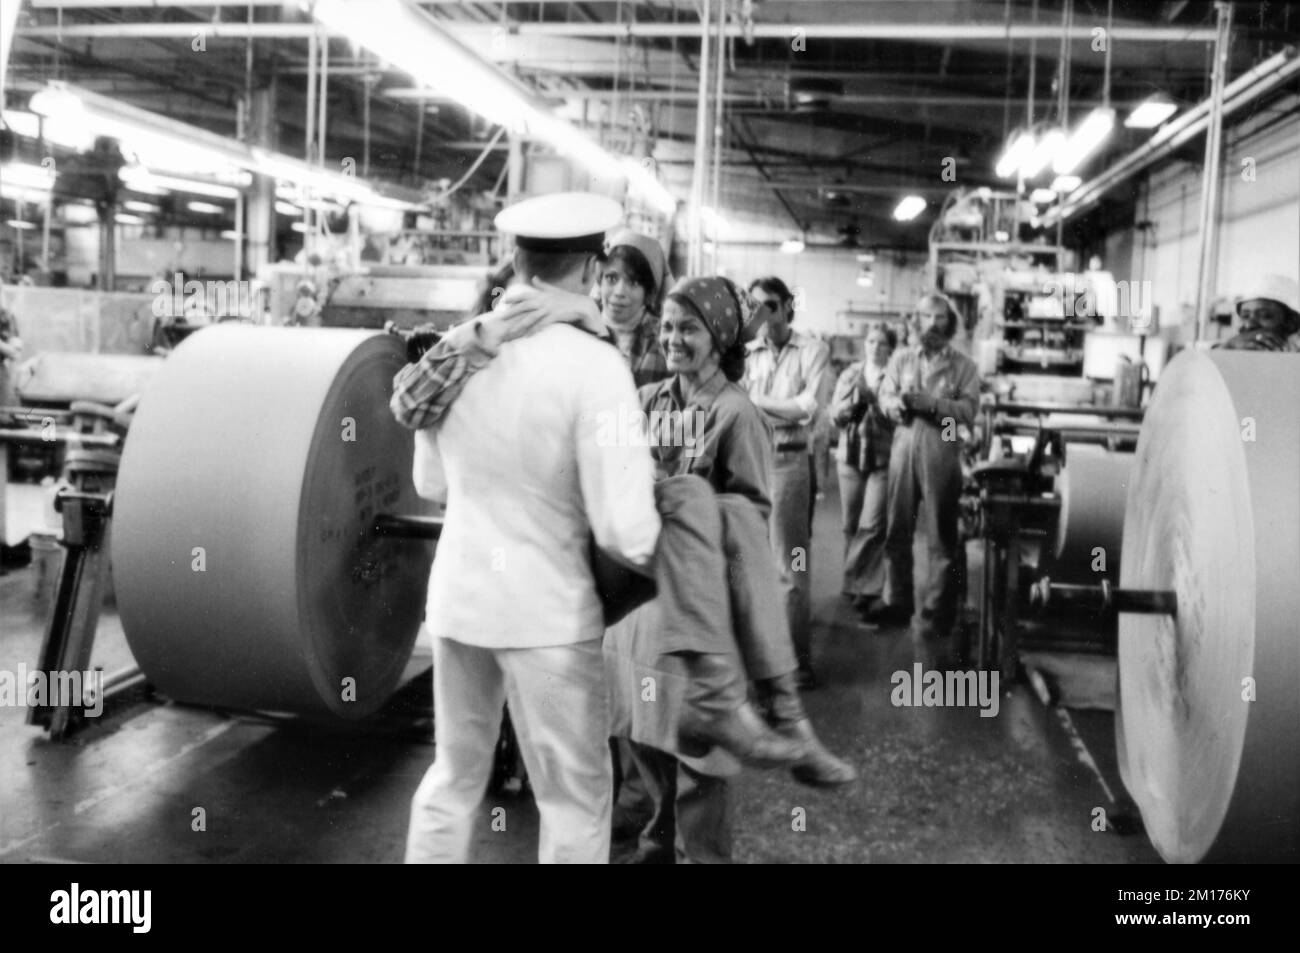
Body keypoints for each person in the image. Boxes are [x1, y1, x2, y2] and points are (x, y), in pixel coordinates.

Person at [399, 193, 662, 864]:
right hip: (549, 617)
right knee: (573, 800)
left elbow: (430, 485)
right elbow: (624, 527)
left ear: (517, 260)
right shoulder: (597, 365)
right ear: (590, 268)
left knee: (454, 777)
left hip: (458, 607)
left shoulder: (460, 352)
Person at [613, 276, 855, 862]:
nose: (673, 339)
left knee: (700, 772)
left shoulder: (738, 414)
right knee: (644, 755)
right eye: (667, 327)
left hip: (701, 609)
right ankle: (655, 848)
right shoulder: (647, 401)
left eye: (688, 328)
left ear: (719, 337)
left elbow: (749, 516)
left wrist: (674, 494)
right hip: (644, 611)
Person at [873, 292, 980, 640]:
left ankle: (935, 611)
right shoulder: (902, 358)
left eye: (940, 318)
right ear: (915, 320)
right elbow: (885, 394)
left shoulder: (965, 366)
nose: (932, 324)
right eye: (926, 317)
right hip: (903, 442)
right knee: (896, 528)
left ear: (950, 323)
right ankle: (898, 600)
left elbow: (967, 413)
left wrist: (933, 404)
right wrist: (894, 406)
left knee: (940, 533)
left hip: (942, 446)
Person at [743, 276, 833, 688]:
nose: (764, 315)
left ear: (788, 309)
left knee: (791, 567)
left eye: (772, 306)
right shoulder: (746, 354)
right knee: (748, 564)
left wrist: (757, 403)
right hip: (749, 462)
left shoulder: (812, 351)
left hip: (789, 465)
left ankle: (797, 664)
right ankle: (759, 661)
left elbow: (806, 408)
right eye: (756, 307)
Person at [830, 322, 898, 614]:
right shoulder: (849, 374)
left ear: (890, 348)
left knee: (872, 525)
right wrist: (845, 412)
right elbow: (834, 415)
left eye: (882, 342)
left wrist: (875, 402)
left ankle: (863, 584)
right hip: (850, 456)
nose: (874, 347)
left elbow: (900, 420)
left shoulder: (895, 378)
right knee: (851, 524)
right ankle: (856, 582)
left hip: (883, 457)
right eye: (871, 341)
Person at [1218, 274, 1300, 351]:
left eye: (1265, 316)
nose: (1249, 325)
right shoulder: (1227, 346)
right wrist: (1229, 346)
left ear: (1291, 323)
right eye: (1245, 316)